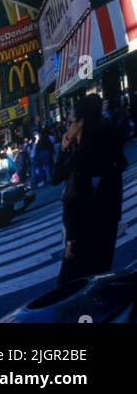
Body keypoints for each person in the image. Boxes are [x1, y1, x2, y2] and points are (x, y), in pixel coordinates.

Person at [54, 94, 127, 285]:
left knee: (71, 288)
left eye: (70, 122)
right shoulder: (107, 142)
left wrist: (71, 240)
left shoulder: (83, 156)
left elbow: (73, 198)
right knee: (99, 279)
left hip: (84, 234)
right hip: (107, 225)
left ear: (81, 123)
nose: (67, 127)